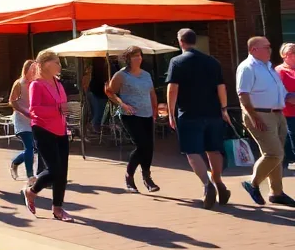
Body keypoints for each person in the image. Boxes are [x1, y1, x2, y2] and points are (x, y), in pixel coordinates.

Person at [166, 28, 232, 209]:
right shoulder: (212, 62)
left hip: (189, 113)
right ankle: (218, 181)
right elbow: (221, 88)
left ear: (180, 42)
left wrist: (171, 113)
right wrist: (224, 109)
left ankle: (207, 184)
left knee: (192, 152)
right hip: (213, 113)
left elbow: (173, 89)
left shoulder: (177, 61)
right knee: (214, 150)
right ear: (195, 40)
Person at [235, 36, 295, 207]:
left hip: (278, 114)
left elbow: (283, 93)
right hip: (260, 115)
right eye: (266, 47)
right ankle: (252, 183)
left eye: (269, 46)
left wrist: (290, 98)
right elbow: (243, 94)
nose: (270, 49)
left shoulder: (268, 67)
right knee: (274, 154)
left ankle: (276, 193)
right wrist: (254, 116)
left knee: (277, 155)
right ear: (254, 49)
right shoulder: (247, 67)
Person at [24, 50, 72, 221]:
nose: (60, 65)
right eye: (57, 62)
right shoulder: (36, 85)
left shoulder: (58, 83)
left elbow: (63, 105)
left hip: (61, 129)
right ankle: (32, 191)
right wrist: (57, 110)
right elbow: (35, 110)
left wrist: (65, 113)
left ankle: (58, 208)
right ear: (45, 64)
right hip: (43, 129)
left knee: (63, 171)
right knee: (54, 170)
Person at [108, 46, 159, 193]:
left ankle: (147, 178)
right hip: (130, 115)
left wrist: (155, 109)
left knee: (149, 147)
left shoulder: (146, 75)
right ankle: (129, 176)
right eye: (135, 56)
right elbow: (110, 92)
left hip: (147, 114)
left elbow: (152, 93)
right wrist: (123, 104)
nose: (138, 58)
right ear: (128, 59)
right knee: (142, 145)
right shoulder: (121, 75)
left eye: (140, 55)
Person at [8, 60, 38, 182]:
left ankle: (15, 162)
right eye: (32, 69)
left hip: (33, 119)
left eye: (35, 69)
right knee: (30, 147)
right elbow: (12, 101)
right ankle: (30, 175)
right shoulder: (19, 83)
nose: (34, 71)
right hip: (22, 119)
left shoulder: (36, 84)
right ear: (26, 70)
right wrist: (24, 111)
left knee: (34, 148)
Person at [278, 43, 295, 169]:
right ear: (284, 55)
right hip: (287, 112)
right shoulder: (279, 71)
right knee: (290, 137)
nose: (294, 54)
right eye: (291, 52)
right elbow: (278, 91)